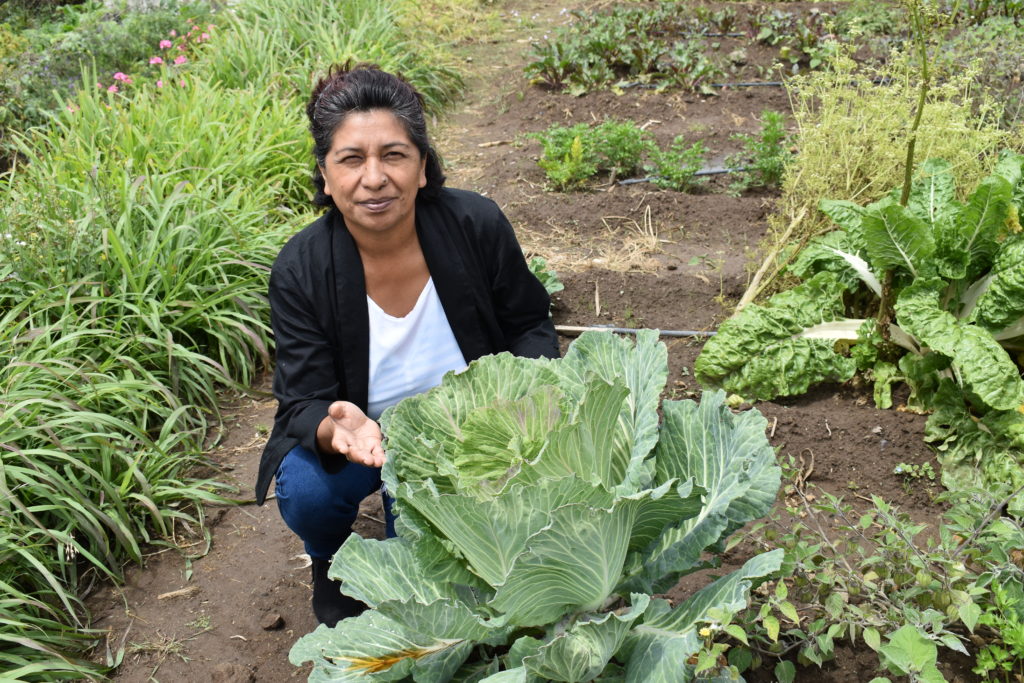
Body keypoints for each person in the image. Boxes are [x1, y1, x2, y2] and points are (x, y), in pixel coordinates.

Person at [254, 64, 559, 627]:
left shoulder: (476, 224)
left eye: (394, 155)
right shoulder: (302, 268)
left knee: (431, 582)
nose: (374, 178)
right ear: (325, 176)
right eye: (351, 159)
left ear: (423, 167)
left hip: (472, 429)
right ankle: (331, 562)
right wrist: (333, 425)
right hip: (369, 438)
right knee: (307, 490)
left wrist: (522, 403)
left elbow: (529, 325)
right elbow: (301, 398)